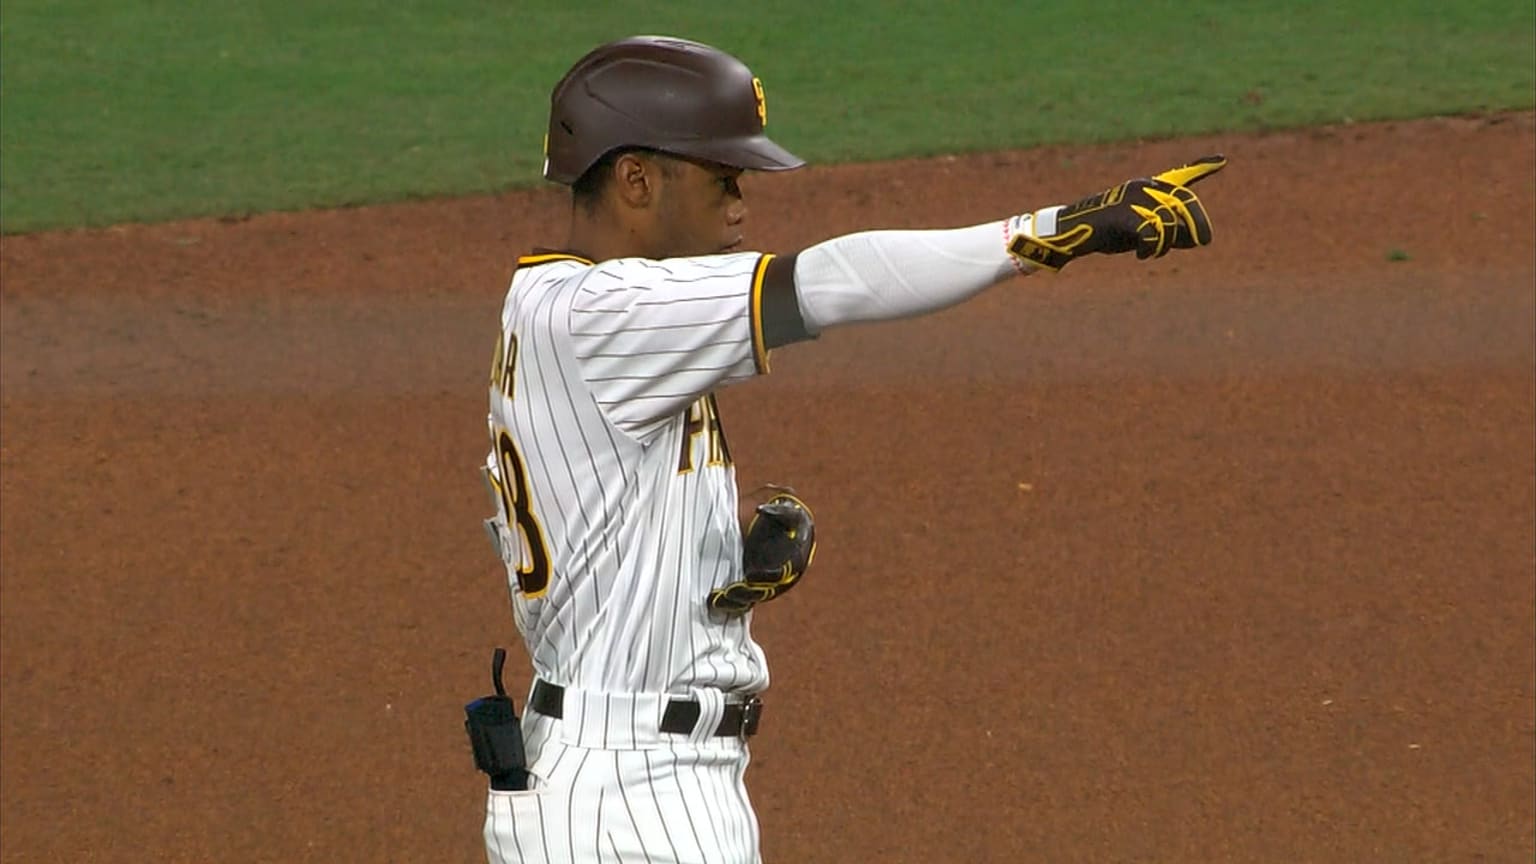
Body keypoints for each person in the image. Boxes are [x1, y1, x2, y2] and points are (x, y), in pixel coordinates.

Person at [472, 34, 1225, 864]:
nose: (740, 207)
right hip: (628, 795)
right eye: (722, 178)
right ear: (637, 178)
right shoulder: (604, 313)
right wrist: (1046, 235)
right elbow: (836, 280)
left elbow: (596, 543)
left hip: (622, 772)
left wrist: (716, 552)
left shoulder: (580, 316)